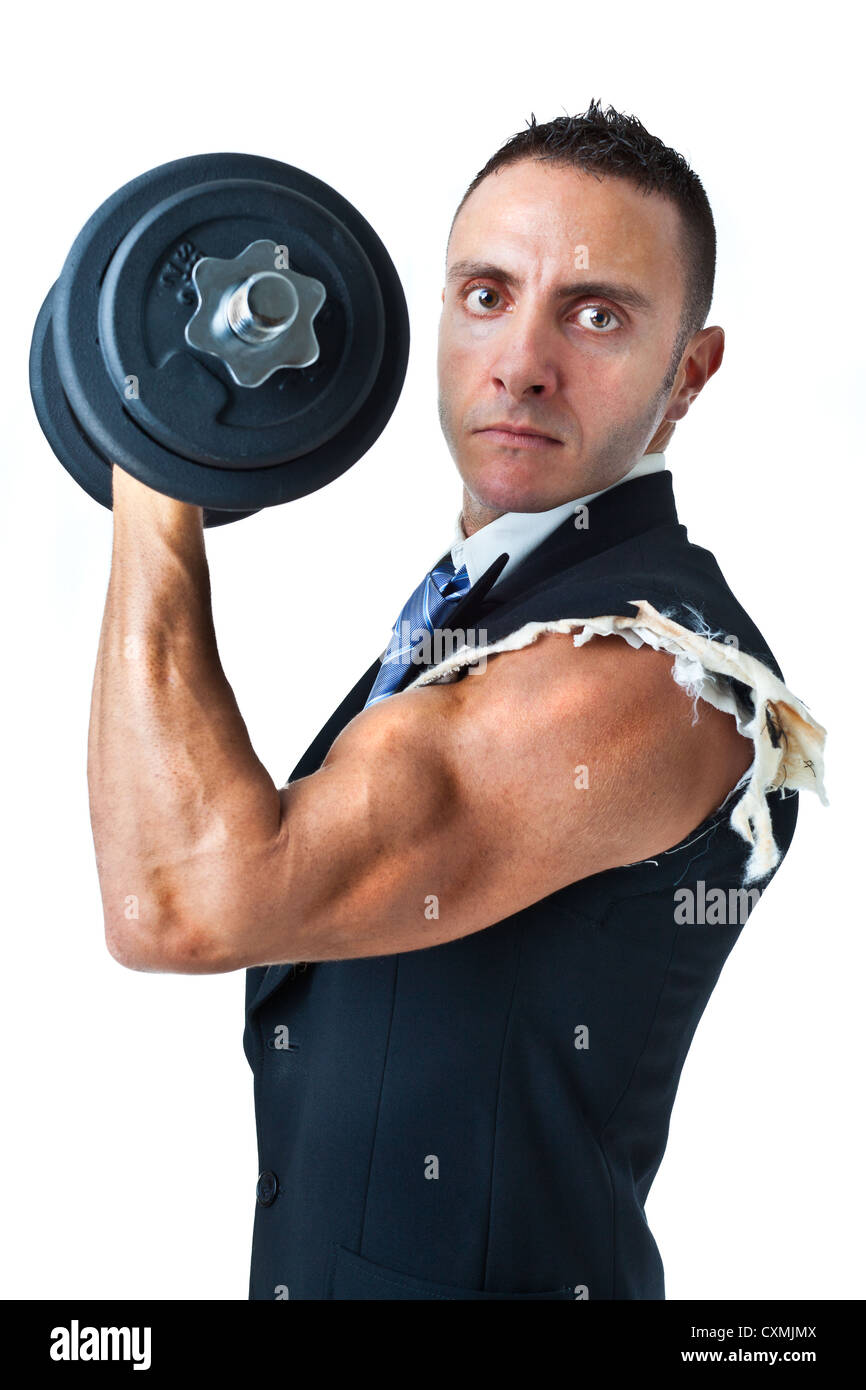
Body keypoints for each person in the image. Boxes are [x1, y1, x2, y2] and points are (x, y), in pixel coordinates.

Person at [89, 100, 827, 1300]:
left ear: (685, 374)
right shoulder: (483, 607)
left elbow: (180, 896)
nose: (521, 361)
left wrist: (157, 447)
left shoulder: (641, 678)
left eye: (595, 316)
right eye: (486, 295)